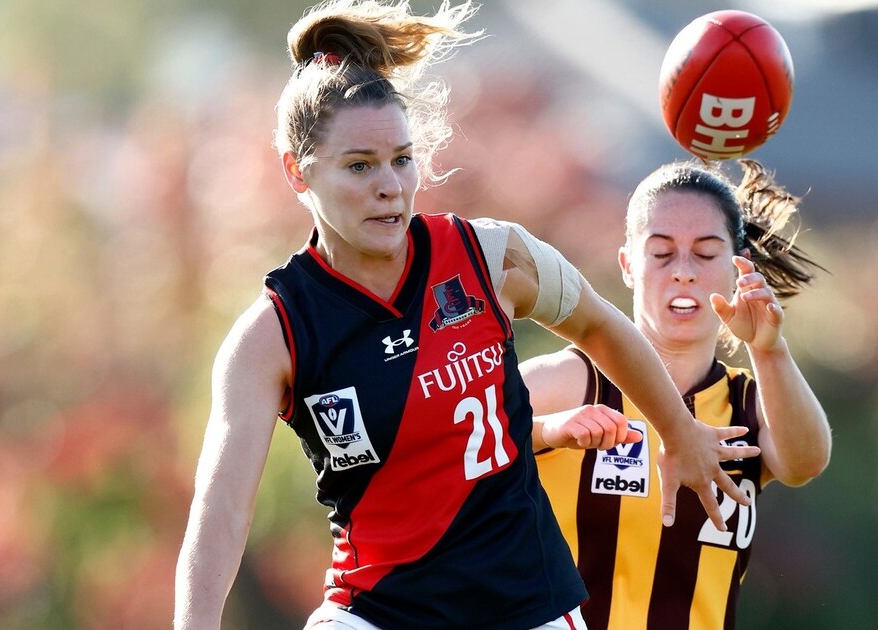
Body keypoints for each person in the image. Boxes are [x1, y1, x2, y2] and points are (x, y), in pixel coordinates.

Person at [173, 2, 759, 629]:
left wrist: (681, 432)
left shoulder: (490, 255)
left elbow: (601, 326)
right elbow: (221, 513)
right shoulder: (273, 336)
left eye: (401, 159)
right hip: (376, 611)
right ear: (297, 171)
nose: (389, 185)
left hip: (525, 607)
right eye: (359, 166)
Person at [526, 159, 833, 630]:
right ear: (629, 264)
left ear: (737, 265)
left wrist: (768, 349)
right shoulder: (571, 382)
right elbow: (444, 435)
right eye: (662, 253)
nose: (684, 272)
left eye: (707, 254)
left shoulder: (749, 404)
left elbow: (805, 462)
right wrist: (546, 430)